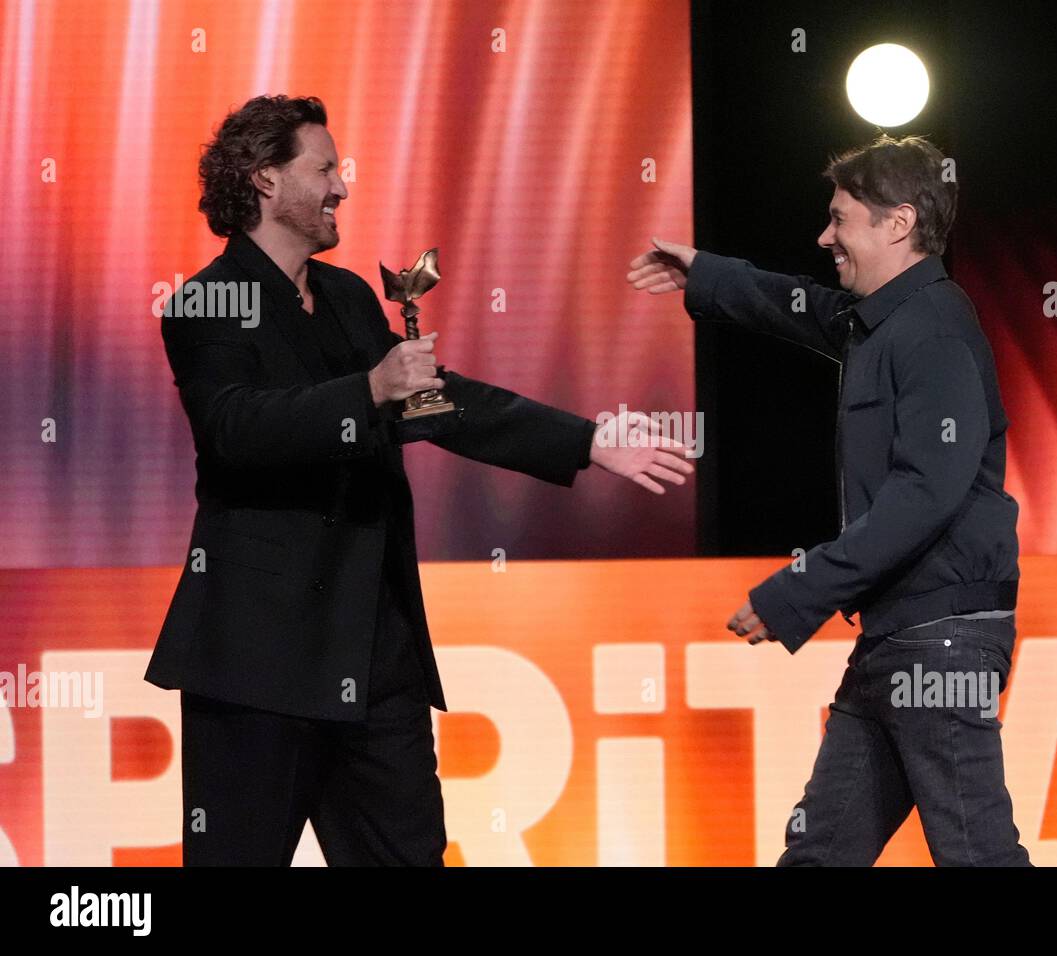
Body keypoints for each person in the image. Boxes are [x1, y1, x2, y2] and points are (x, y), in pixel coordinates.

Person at [147, 94, 693, 866]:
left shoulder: (347, 296)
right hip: (256, 666)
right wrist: (366, 391)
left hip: (375, 659)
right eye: (326, 168)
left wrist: (588, 441)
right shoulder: (206, 302)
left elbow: (436, 403)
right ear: (266, 179)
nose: (342, 186)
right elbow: (236, 431)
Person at [627, 133, 1030, 866]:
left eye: (840, 219)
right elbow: (803, 307)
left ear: (898, 223)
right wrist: (705, 272)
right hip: (896, 640)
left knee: (978, 854)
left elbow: (924, 496)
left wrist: (800, 588)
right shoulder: (884, 319)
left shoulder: (934, 329)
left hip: (941, 643)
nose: (824, 236)